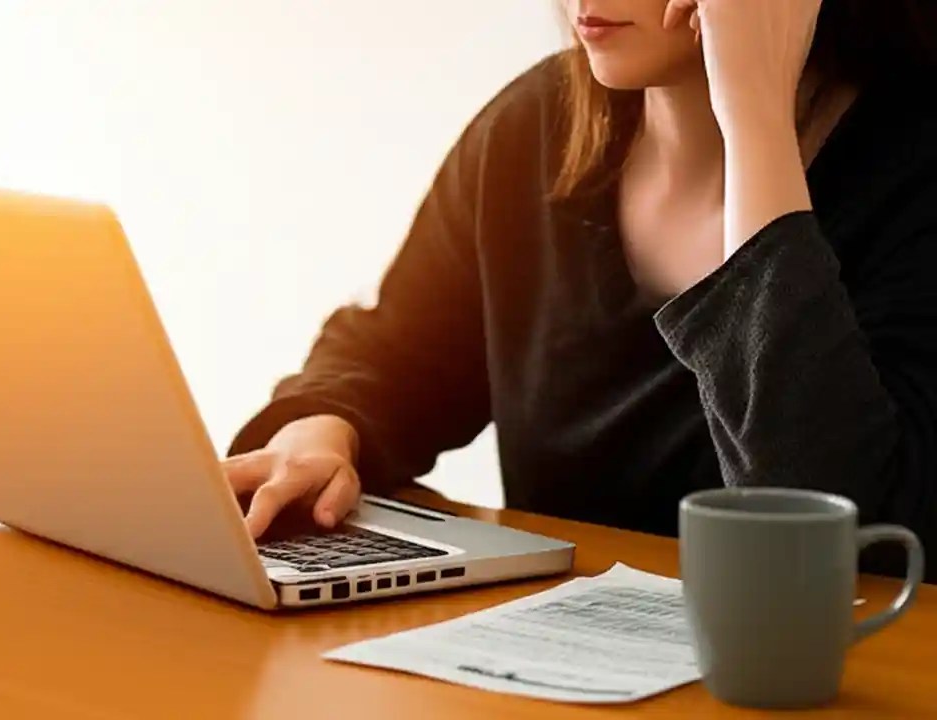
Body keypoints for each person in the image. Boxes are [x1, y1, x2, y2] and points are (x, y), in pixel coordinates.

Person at [222, 0, 937, 578]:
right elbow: (392, 358)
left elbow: (851, 540)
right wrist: (321, 429)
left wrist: (754, 117)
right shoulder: (535, 129)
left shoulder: (913, 168)